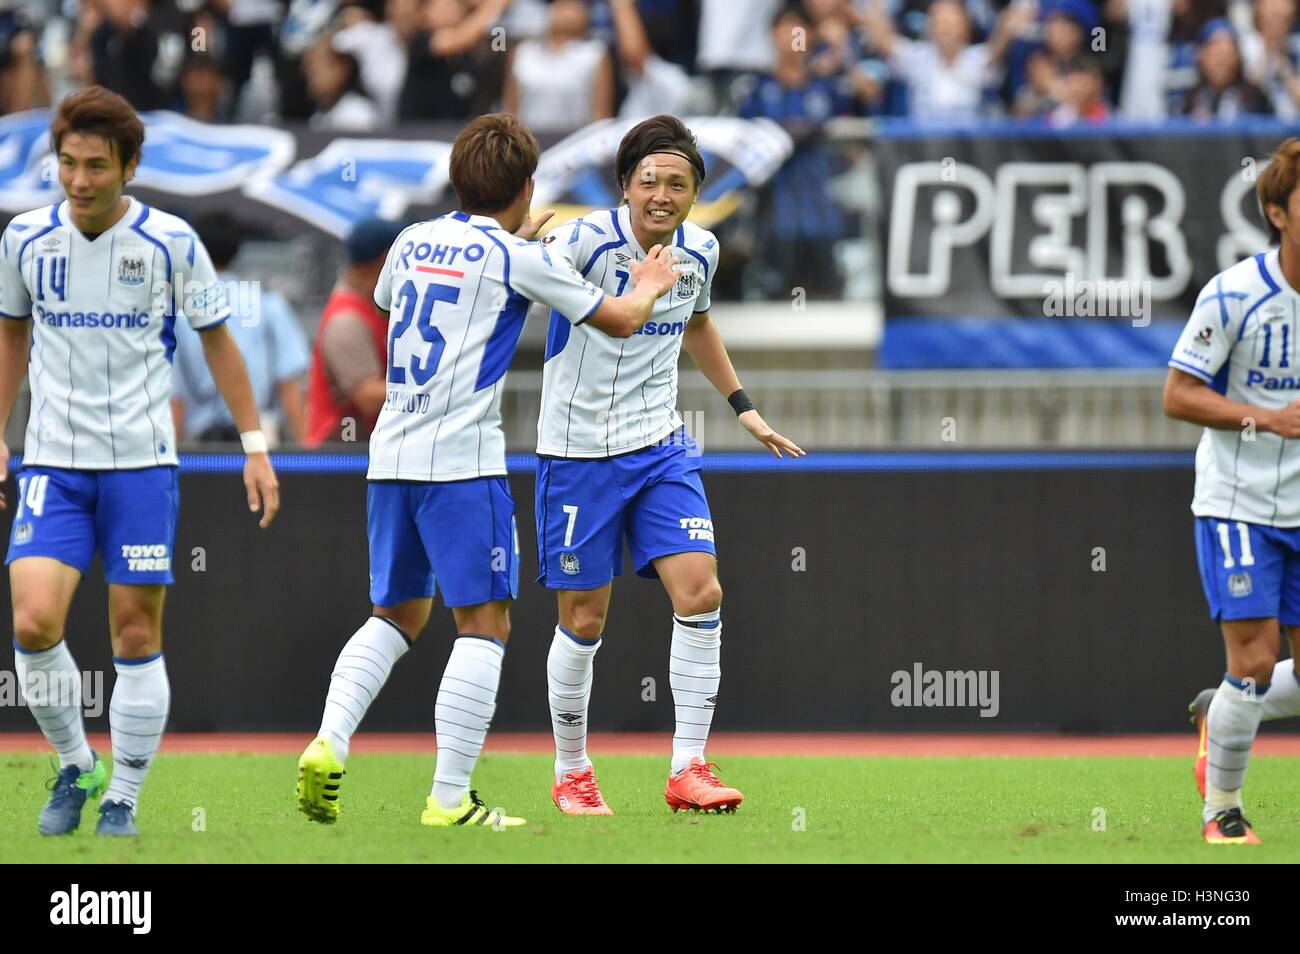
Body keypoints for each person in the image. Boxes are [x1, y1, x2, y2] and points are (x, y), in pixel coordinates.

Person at [296, 112, 681, 828]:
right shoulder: (517, 258)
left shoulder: (412, 239)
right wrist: (653, 281)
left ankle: (328, 740)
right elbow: (621, 318)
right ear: (527, 185)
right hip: (461, 466)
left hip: (390, 460)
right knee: (486, 624)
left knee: (397, 612)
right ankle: (450, 800)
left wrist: (511, 246)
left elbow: (388, 300)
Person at [0, 86, 279, 838]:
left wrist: (256, 447)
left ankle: (122, 794)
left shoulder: (171, 243)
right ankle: (73, 762)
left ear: (129, 166)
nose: (80, 180)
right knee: (31, 621)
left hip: (141, 467)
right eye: (67, 163)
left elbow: (218, 340)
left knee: (133, 635)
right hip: (53, 464)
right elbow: (11, 338)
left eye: (96, 165)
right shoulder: (24, 239)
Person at [534, 115, 804, 817]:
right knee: (586, 619)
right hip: (578, 456)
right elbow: (532, 281)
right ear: (623, 186)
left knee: (702, 593)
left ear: (694, 194)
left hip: (660, 448)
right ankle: (571, 771)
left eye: (677, 183)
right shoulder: (584, 240)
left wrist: (743, 406)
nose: (662, 194)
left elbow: (699, 322)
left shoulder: (701, 250)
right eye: (648, 180)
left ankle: (688, 766)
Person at [1163, 136, 1300, 845]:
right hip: (1239, 501)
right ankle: (1222, 812)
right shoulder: (1236, 294)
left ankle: (1217, 713)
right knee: (1252, 658)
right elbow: (1178, 395)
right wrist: (1267, 417)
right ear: (1279, 212)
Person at [171, 211, 310, 445]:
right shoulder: (267, 302)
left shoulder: (177, 311)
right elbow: (289, 384)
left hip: (200, 447)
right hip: (260, 439)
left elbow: (175, 399)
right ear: (237, 251)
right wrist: (307, 456)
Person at [304, 218, 404, 446]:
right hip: (338, 455)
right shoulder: (347, 321)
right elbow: (367, 397)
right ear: (385, 259)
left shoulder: (372, 303)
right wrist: (432, 386)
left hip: (359, 448)